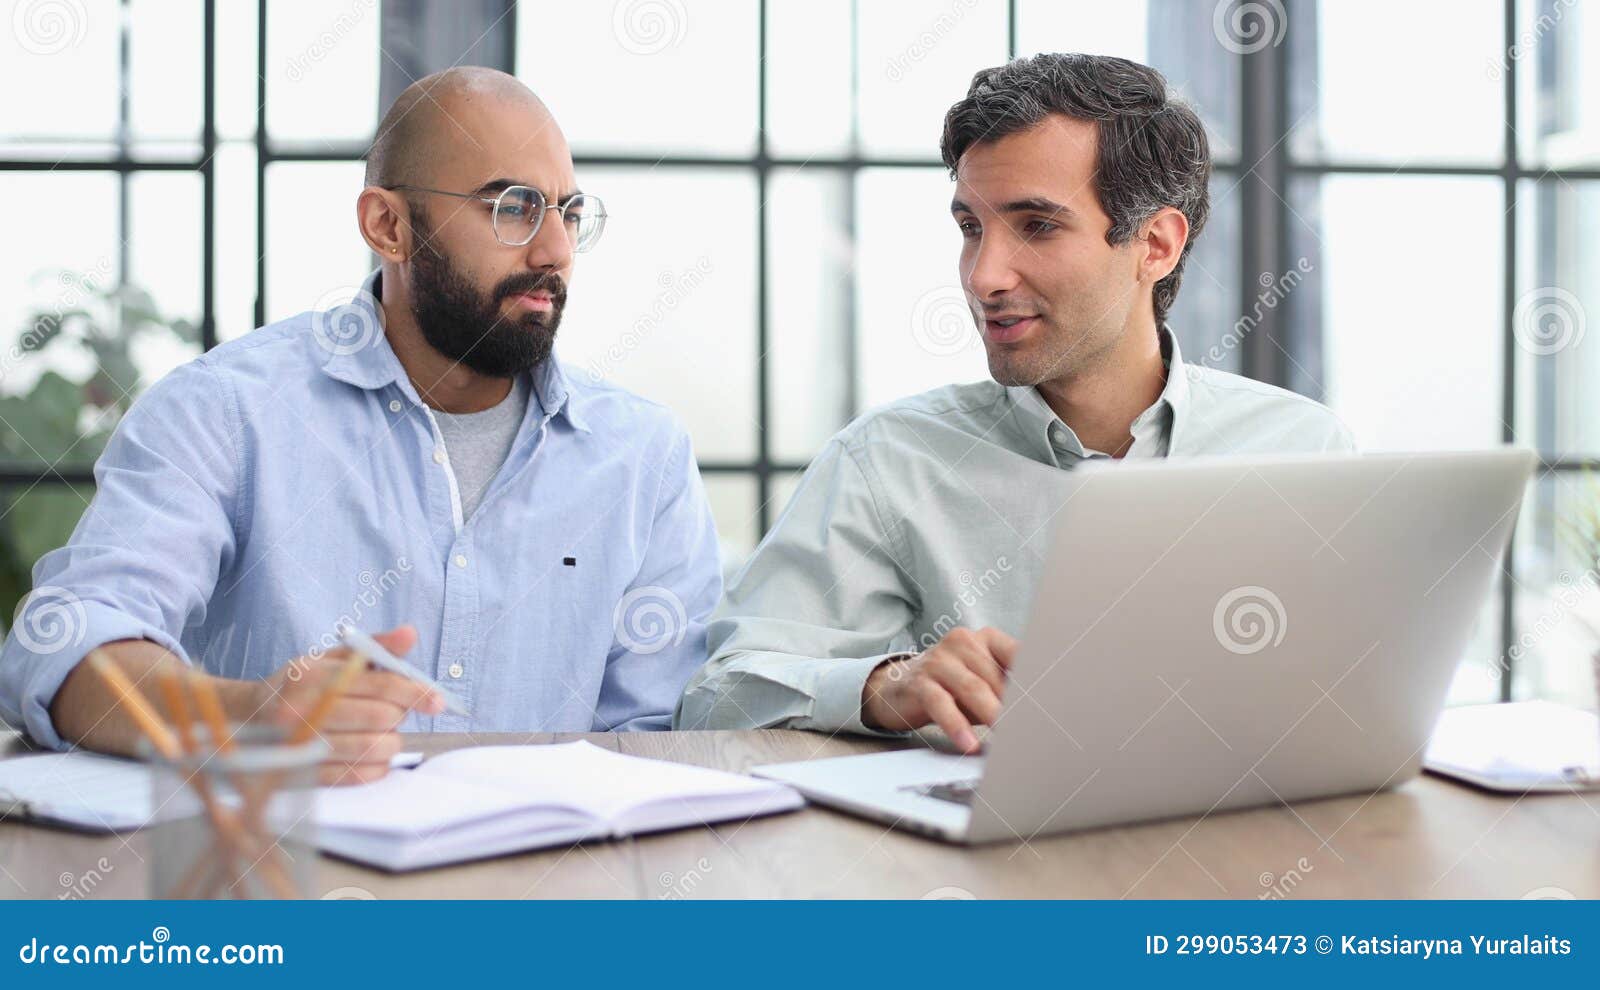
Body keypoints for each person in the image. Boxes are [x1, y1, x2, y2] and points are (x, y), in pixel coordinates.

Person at [0, 67, 721, 784]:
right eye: (512, 207)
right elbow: (63, 641)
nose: (554, 251)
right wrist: (243, 720)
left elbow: (663, 745)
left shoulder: (643, 459)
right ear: (389, 226)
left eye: (567, 211)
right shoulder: (225, 410)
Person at [676, 53, 1354, 750]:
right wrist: (882, 687)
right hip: (978, 850)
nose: (983, 276)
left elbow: (1363, 699)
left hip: (1248, 837)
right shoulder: (888, 462)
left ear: (1155, 244)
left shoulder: (1305, 449)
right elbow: (714, 704)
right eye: (971, 227)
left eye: (1037, 225)